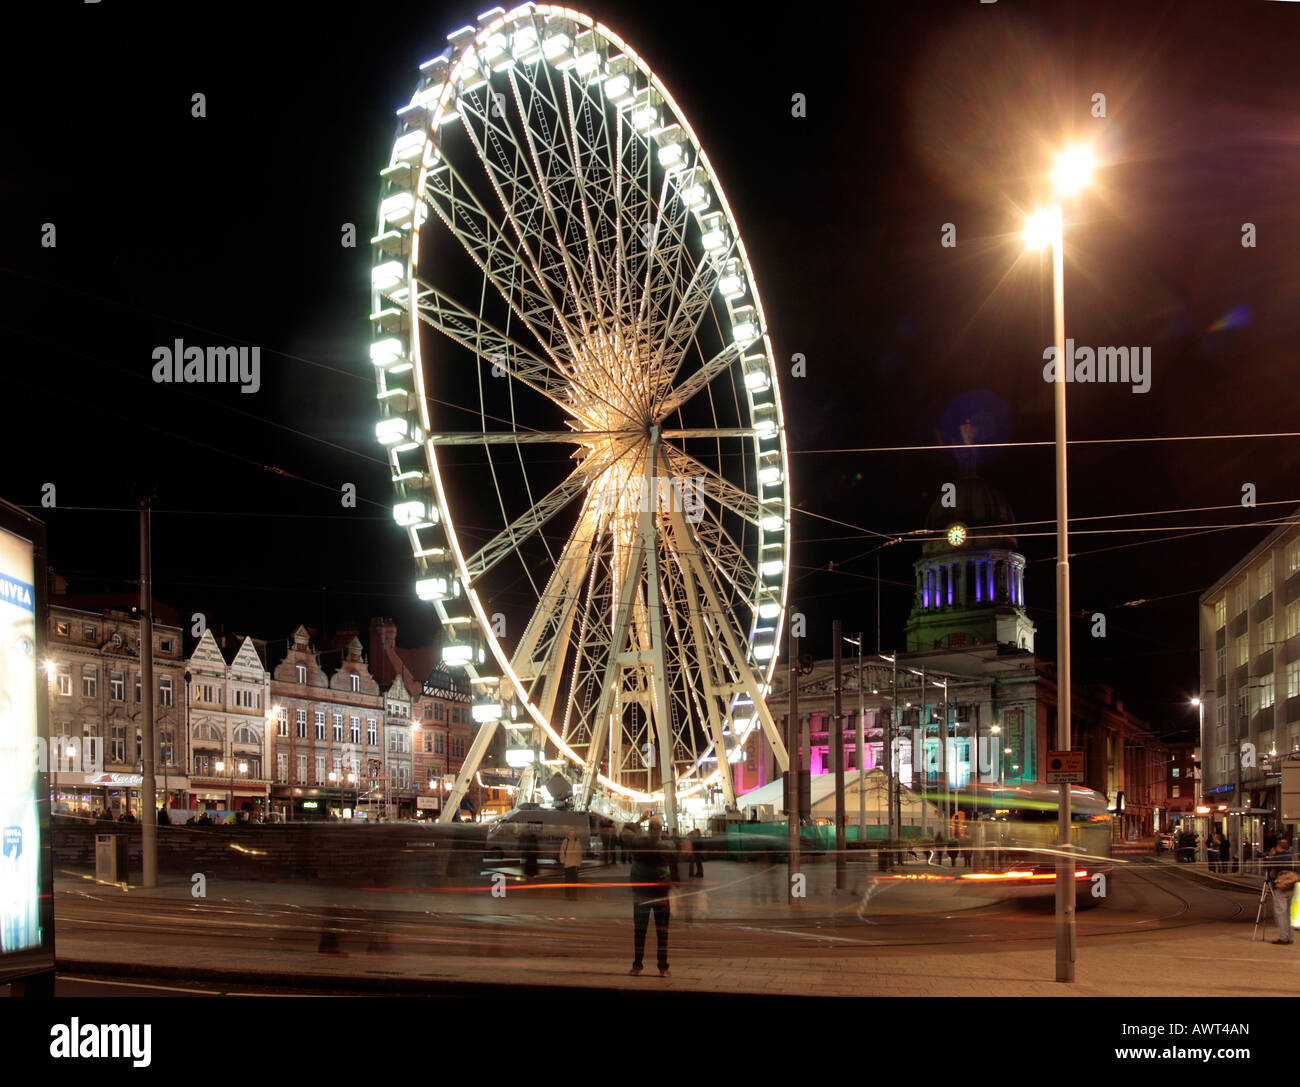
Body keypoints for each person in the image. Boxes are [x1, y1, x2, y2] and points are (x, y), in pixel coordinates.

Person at [629, 816, 673, 977]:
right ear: (661, 830)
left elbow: (627, 832)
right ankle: (663, 967)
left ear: (648, 829)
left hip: (641, 894)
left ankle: (637, 965)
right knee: (662, 932)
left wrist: (639, 821)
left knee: (640, 931)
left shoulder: (638, 844)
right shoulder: (667, 846)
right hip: (661, 894)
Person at [1264, 836, 1297, 945]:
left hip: (1281, 887)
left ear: (1278, 847)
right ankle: (1290, 937)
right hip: (1291, 885)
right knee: (1289, 913)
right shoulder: (1293, 856)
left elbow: (1267, 868)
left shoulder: (1277, 857)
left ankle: (1283, 938)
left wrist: (1271, 856)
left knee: (1281, 912)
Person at [559, 826, 583, 901]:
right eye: (571, 832)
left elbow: (580, 853)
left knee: (574, 881)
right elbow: (562, 852)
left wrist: (579, 862)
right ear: (569, 833)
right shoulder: (565, 841)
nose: (572, 833)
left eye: (573, 832)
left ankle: (574, 895)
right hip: (568, 864)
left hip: (575, 864)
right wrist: (563, 861)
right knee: (568, 880)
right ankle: (568, 895)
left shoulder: (577, 841)